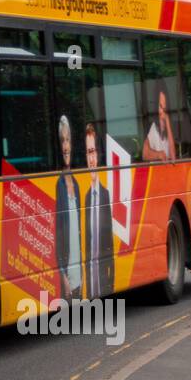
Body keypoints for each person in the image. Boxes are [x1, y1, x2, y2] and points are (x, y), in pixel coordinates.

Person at [83, 122, 114, 298]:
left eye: (93, 152)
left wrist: (111, 283)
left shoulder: (105, 195)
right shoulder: (86, 197)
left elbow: (110, 244)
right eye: (88, 153)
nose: (91, 159)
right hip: (91, 281)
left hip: (104, 278)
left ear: (98, 155)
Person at [53, 115, 83, 299]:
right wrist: (63, 275)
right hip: (68, 278)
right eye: (62, 141)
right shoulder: (59, 185)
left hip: (79, 275)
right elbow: (59, 234)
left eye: (68, 140)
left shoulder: (77, 185)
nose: (65, 147)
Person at [142, 82, 176, 162]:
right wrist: (158, 155)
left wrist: (167, 121)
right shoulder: (154, 127)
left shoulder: (171, 125)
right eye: (160, 106)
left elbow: (173, 158)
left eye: (165, 108)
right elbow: (144, 154)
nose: (162, 112)